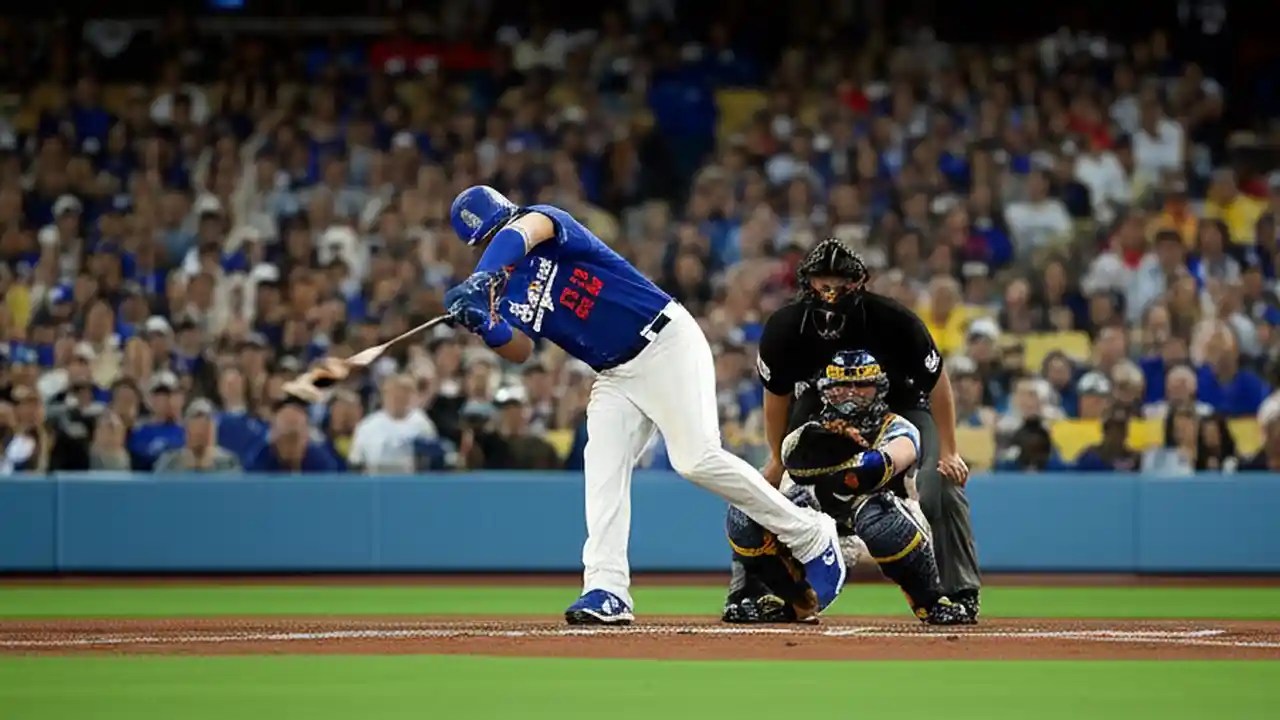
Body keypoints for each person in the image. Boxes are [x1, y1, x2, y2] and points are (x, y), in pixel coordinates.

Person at [441, 185, 844, 625]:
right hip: (614, 374)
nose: (492, 245)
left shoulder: (543, 223)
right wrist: (486, 325)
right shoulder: (506, 289)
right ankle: (605, 587)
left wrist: (483, 275)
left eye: (493, 234)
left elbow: (524, 229)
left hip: (664, 342)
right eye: (483, 243)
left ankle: (811, 536)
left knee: (696, 460)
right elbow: (521, 351)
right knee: (602, 466)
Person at [751, 238, 981, 620]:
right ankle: (774, 591)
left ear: (859, 283)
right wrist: (777, 459)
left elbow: (938, 382)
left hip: (900, 403)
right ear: (807, 283)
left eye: (840, 282)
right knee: (778, 491)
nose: (830, 292)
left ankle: (957, 591)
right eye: (823, 282)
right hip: (823, 408)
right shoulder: (785, 327)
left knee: (941, 484)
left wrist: (949, 451)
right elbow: (776, 394)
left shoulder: (895, 321)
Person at [722, 350, 972, 626]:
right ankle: (766, 597)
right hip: (821, 532)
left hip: (890, 524)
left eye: (862, 384)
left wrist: (844, 456)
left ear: (879, 388)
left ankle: (930, 601)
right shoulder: (808, 424)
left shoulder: (898, 427)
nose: (852, 393)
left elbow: (876, 468)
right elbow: (792, 459)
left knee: (880, 519)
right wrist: (827, 440)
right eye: (843, 385)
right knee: (746, 509)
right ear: (827, 390)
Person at [348, 373, 438, 474]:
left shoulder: (422, 424)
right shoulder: (367, 426)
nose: (399, 398)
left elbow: (431, 461)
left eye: (404, 394)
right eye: (394, 393)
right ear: (384, 395)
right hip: (375, 484)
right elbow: (356, 462)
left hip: (411, 483)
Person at [154, 399, 241, 473]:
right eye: (195, 422)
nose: (200, 429)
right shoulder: (170, 462)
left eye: (206, 425)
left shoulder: (228, 462)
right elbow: (157, 489)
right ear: (186, 429)